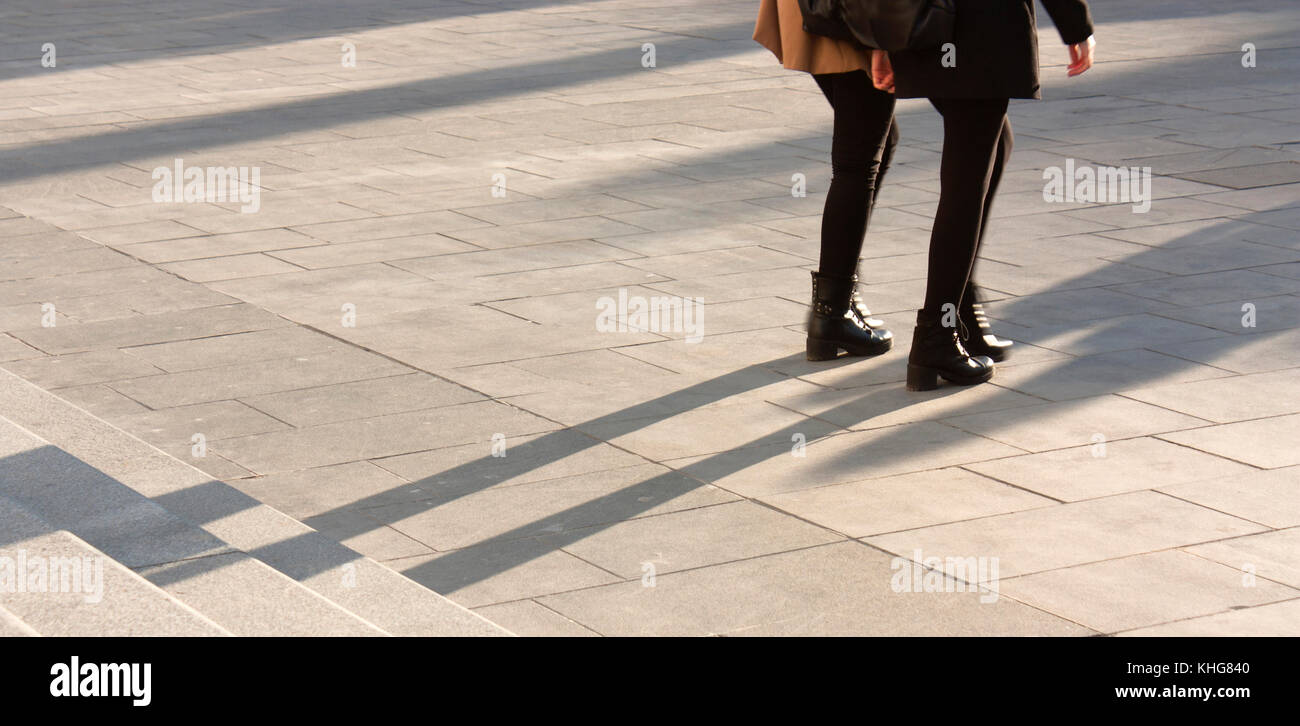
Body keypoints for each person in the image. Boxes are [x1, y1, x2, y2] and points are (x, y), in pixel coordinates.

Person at [873, 0, 1096, 390]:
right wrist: (1076, 25)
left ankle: (958, 310)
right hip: (980, 31)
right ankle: (936, 338)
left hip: (927, 26)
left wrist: (882, 38)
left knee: (993, 148)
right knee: (966, 179)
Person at [753, 0, 897, 361]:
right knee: (857, 162)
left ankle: (839, 299)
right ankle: (832, 315)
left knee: (876, 142)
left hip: (814, 8)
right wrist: (882, 39)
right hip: (858, 16)